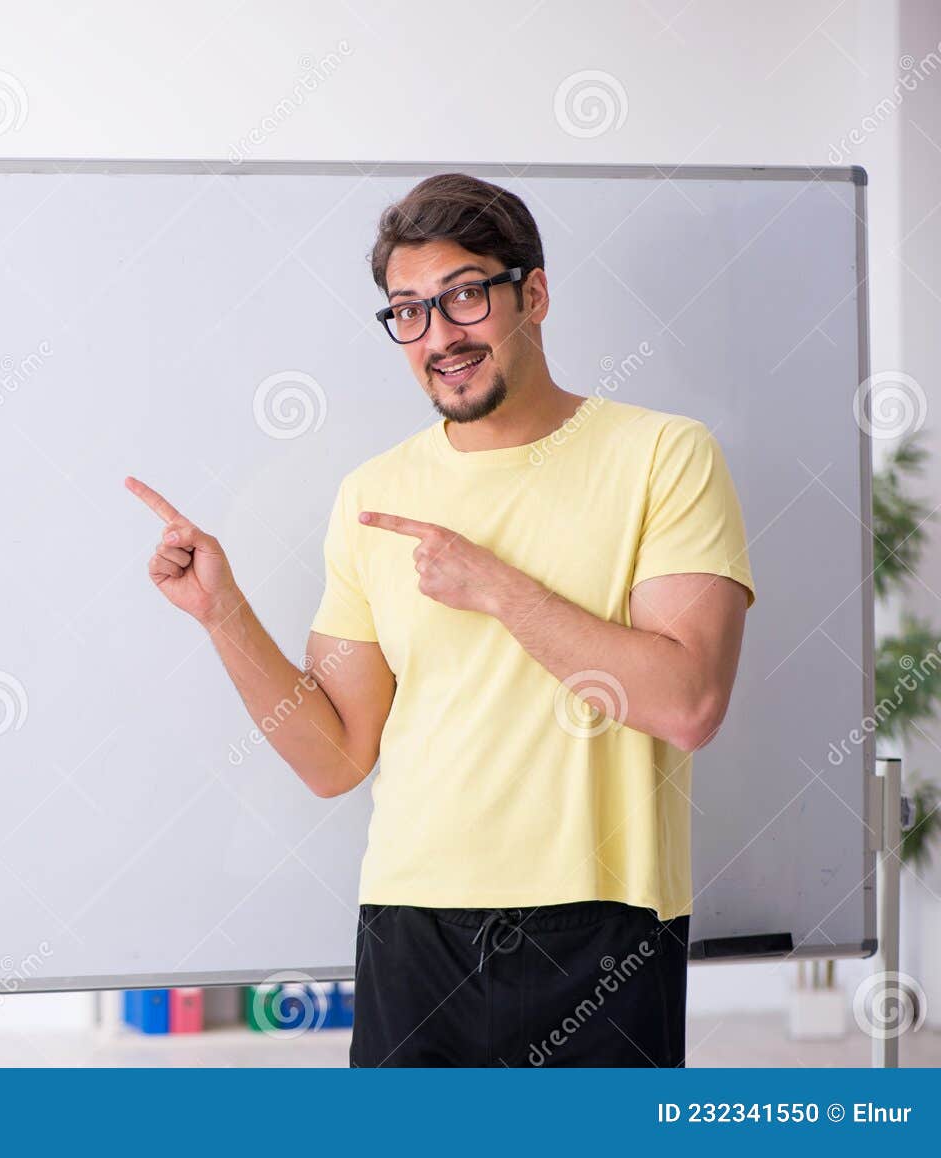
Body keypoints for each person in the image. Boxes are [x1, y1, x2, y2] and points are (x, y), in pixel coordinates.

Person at [124, 172, 756, 1067]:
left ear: (534, 294)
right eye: (409, 312)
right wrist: (223, 614)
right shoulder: (374, 495)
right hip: (413, 929)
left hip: (606, 927)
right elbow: (336, 759)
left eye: (464, 296)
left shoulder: (663, 455)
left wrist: (499, 589)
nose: (439, 336)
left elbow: (688, 702)